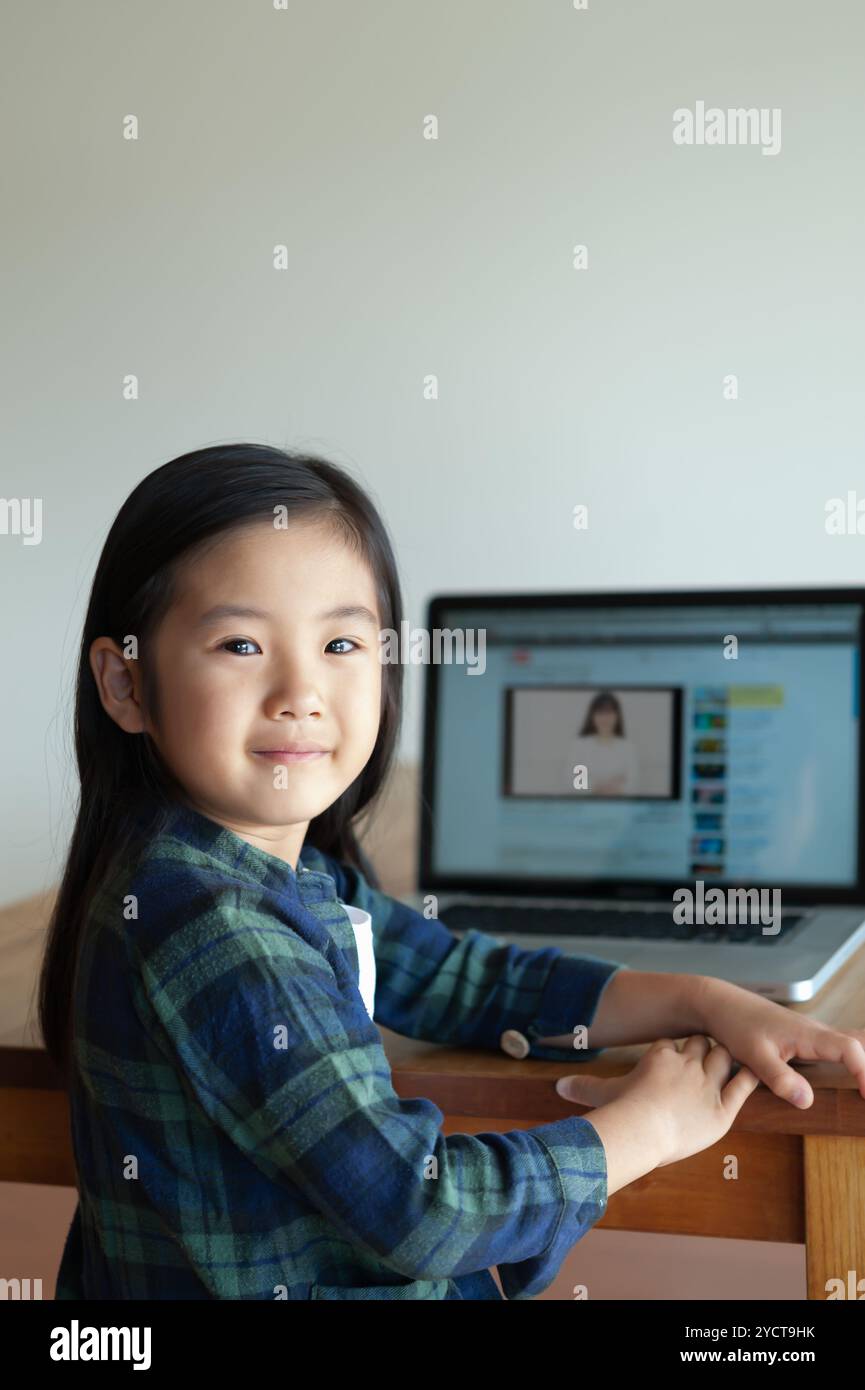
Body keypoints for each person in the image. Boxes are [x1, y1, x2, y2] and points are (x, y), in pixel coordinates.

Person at [41, 444, 865, 1301]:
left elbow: (459, 977)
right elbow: (421, 1208)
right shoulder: (211, 923)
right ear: (126, 683)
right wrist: (643, 1129)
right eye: (242, 643)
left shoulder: (264, 868)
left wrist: (703, 1000)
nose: (302, 690)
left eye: (340, 642)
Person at [571, 691, 639, 795]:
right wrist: (597, 787)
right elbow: (575, 782)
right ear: (592, 716)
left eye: (609, 713)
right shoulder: (580, 746)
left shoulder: (627, 747)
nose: (605, 718)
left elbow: (634, 784)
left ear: (617, 716)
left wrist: (618, 788)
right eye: (600, 713)